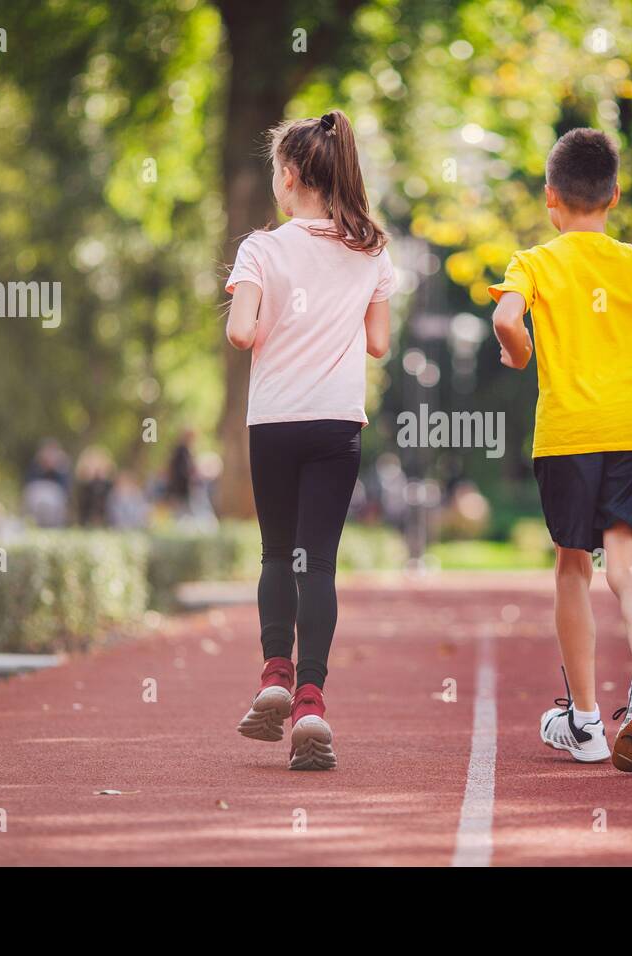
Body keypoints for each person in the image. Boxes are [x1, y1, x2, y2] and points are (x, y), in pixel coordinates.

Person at [490, 128, 632, 773]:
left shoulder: (533, 262)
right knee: (627, 569)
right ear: (614, 195)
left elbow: (505, 320)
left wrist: (518, 352)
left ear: (552, 198)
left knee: (572, 569)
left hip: (568, 436)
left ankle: (583, 723)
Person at [226, 109, 394, 770]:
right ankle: (311, 705)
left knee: (275, 554)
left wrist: (273, 321)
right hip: (336, 422)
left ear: (290, 175)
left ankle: (274, 672)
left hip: (274, 421)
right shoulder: (372, 250)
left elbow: (241, 333)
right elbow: (379, 343)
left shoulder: (262, 250)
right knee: (316, 562)